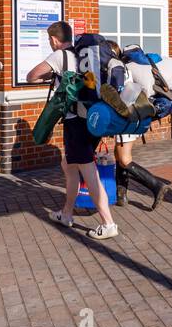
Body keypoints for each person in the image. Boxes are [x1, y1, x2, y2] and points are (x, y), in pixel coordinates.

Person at [26, 21, 118, 240]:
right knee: (68, 165)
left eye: (50, 41)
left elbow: (31, 76)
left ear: (54, 40)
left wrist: (51, 75)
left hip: (75, 122)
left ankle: (108, 223)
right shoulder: (83, 56)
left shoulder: (60, 56)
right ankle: (67, 213)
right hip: (92, 119)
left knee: (88, 170)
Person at [101, 41, 169, 211]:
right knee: (118, 156)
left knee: (124, 159)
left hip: (127, 118)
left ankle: (156, 186)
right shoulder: (119, 68)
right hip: (127, 117)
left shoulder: (117, 69)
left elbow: (117, 96)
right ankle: (121, 196)